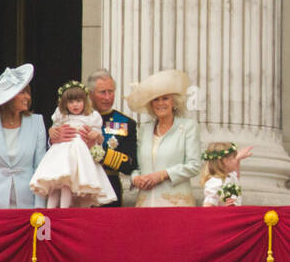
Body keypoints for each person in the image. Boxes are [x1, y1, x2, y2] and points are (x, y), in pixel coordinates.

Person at [50, 69, 137, 207]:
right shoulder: (69, 117)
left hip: (107, 188)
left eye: (111, 91)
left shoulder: (125, 123)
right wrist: (53, 139)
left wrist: (99, 152)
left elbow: (130, 165)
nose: (108, 97)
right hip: (74, 188)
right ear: (90, 94)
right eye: (102, 92)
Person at [29, 81, 117, 208]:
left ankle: (64, 212)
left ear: (85, 101)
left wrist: (96, 136)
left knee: (68, 185)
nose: (75, 105)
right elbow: (54, 129)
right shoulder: (61, 116)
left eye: (78, 101)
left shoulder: (91, 117)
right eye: (71, 102)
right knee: (55, 185)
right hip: (60, 155)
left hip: (79, 156)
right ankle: (50, 211)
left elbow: (100, 137)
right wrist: (52, 131)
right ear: (65, 104)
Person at [125, 69, 202, 207]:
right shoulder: (144, 129)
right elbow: (137, 167)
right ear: (151, 104)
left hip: (176, 204)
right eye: (156, 99)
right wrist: (135, 178)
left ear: (174, 102)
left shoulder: (188, 127)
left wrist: (163, 174)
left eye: (165, 98)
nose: (160, 103)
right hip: (146, 203)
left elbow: (194, 166)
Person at [0, 64, 47, 209]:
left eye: (28, 93)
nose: (27, 97)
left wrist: (40, 207)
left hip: (28, 203)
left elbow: (39, 168)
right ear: (8, 97)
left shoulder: (37, 122)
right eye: (22, 93)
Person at [201, 142, 254, 206]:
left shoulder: (230, 175)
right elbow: (207, 208)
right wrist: (224, 208)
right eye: (234, 157)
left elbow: (237, 175)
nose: (236, 159)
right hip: (223, 215)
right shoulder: (215, 183)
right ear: (225, 161)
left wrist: (239, 159)